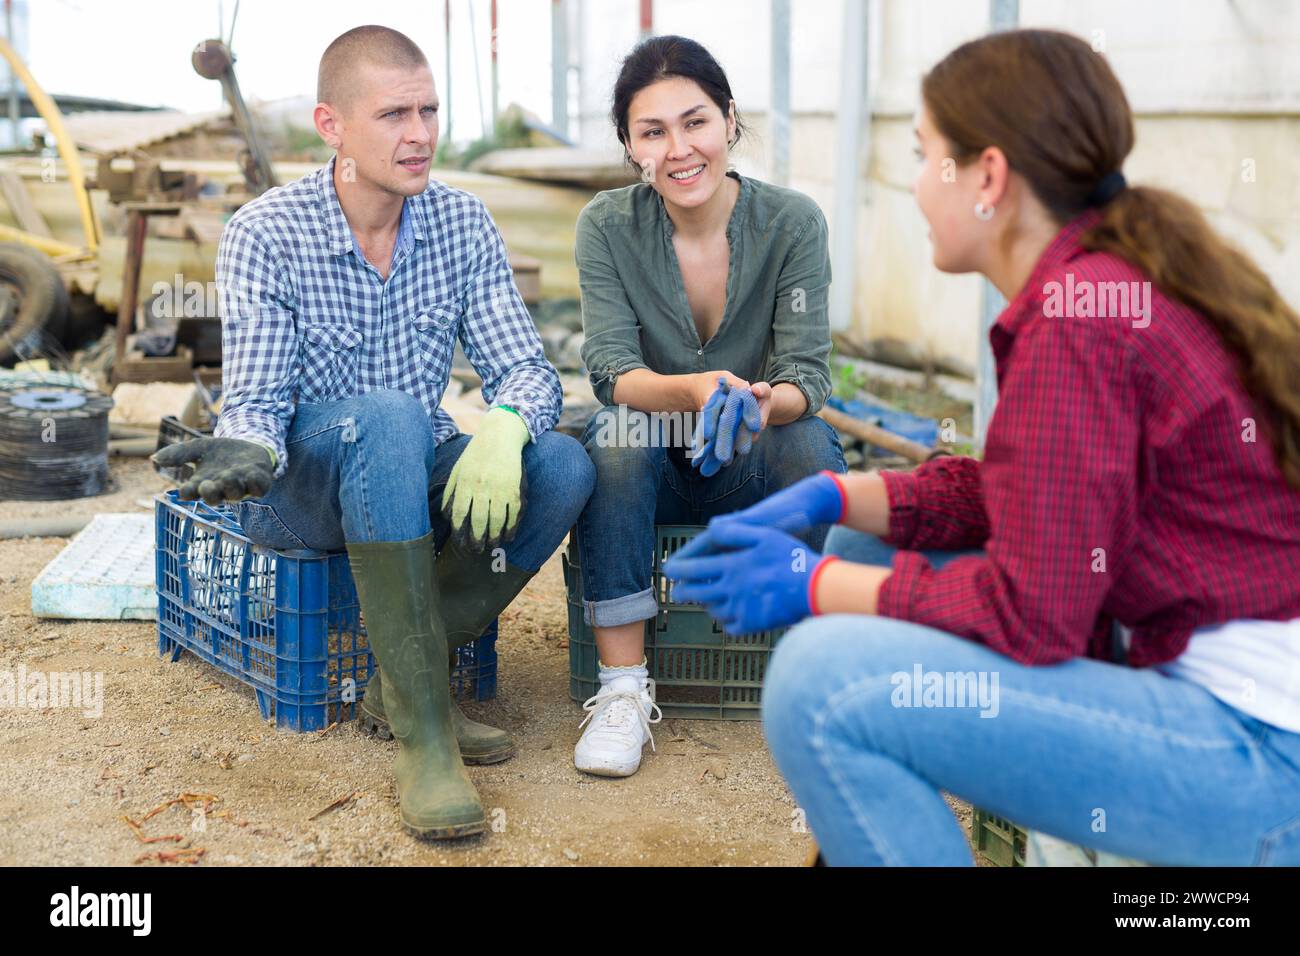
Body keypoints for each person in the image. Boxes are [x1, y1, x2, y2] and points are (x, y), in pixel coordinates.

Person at [665, 28, 1300, 865]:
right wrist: (840, 498)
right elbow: (1027, 492)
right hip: (1214, 698)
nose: (919, 188)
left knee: (821, 685)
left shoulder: (1081, 320)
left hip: (1259, 753)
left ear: (989, 177)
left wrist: (810, 580)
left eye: (929, 158)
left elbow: (1035, 615)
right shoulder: (1101, 284)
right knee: (869, 540)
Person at [153, 25, 595, 840]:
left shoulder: (462, 225)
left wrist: (503, 425)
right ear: (333, 127)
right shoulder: (266, 232)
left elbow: (528, 373)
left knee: (565, 463)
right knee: (388, 413)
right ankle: (428, 739)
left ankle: (396, 688)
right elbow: (255, 398)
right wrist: (247, 448)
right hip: (302, 494)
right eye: (394, 113)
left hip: (407, 468)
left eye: (429, 109)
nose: (421, 133)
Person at [571, 35, 847, 778]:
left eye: (694, 122)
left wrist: (764, 401)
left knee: (812, 446)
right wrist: (692, 390)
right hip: (650, 476)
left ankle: (804, 672)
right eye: (652, 131)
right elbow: (611, 371)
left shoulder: (791, 222)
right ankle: (624, 688)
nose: (678, 149)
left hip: (748, 463)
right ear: (630, 146)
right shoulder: (606, 225)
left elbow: (806, 375)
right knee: (618, 433)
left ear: (728, 120)